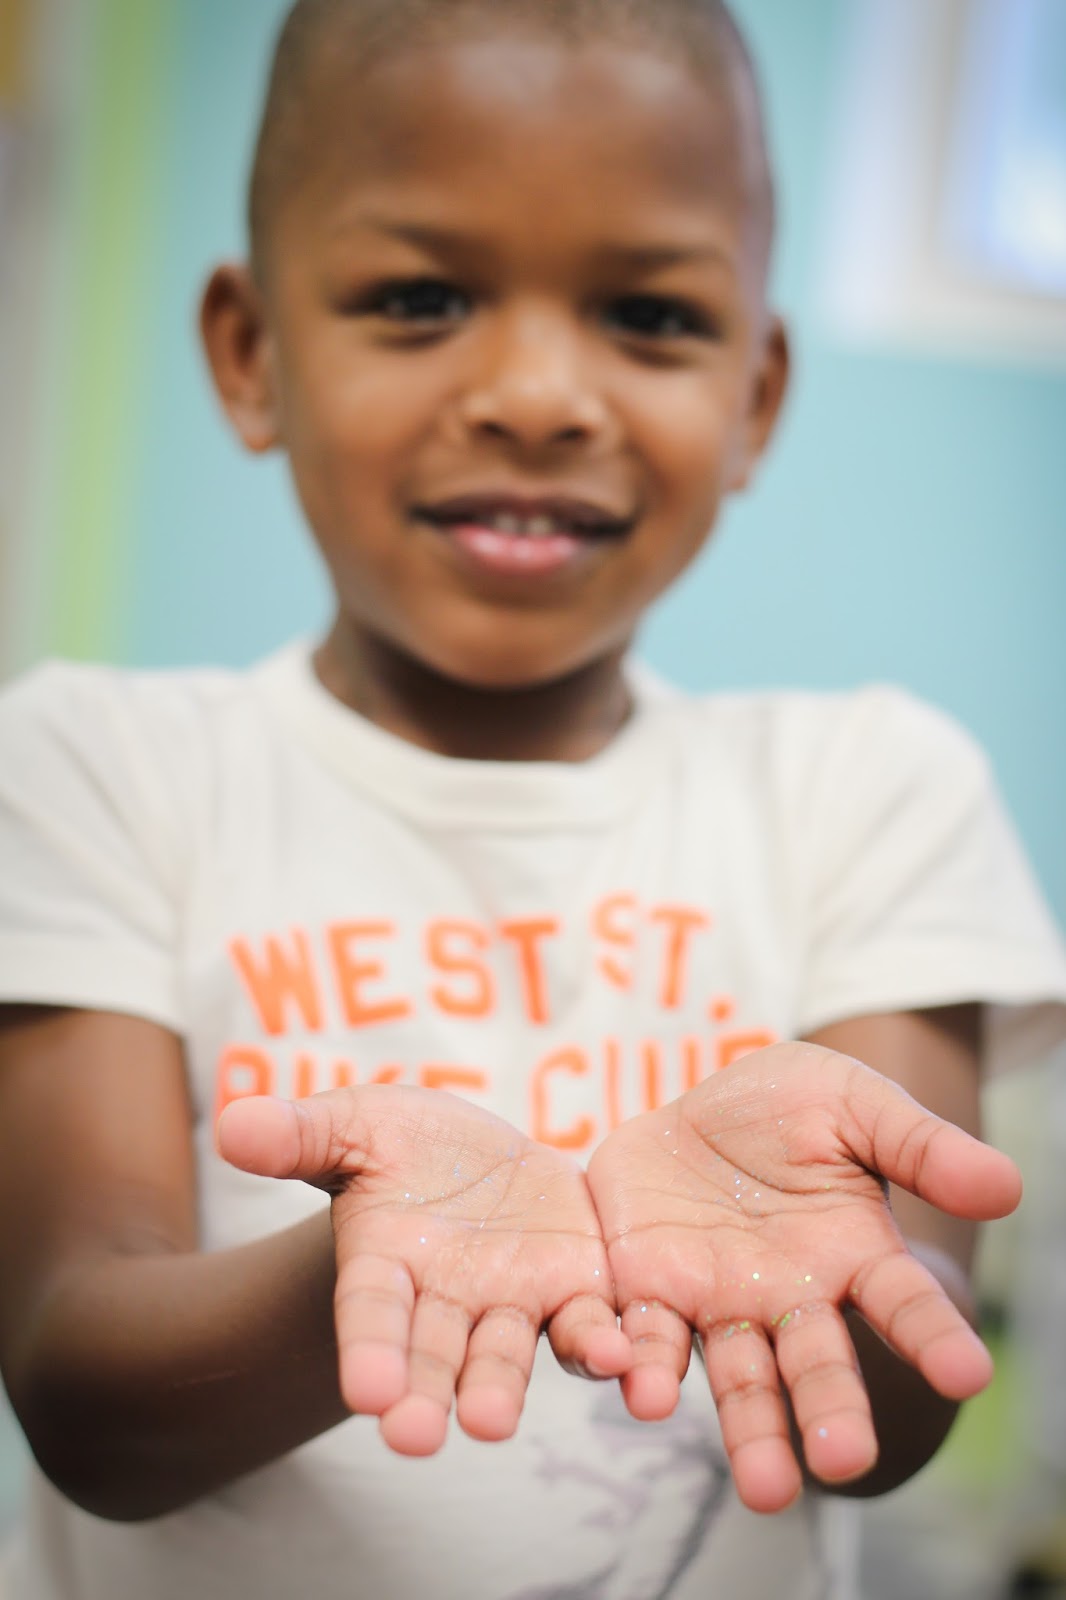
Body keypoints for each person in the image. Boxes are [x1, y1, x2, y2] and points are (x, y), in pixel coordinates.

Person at [0, 1, 1063, 1596]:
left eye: (645, 315)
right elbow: (82, 1386)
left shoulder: (871, 788)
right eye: (420, 298)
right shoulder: (95, 767)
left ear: (757, 395)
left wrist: (820, 1280)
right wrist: (359, 1267)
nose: (538, 395)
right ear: (250, 352)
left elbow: (897, 1380)